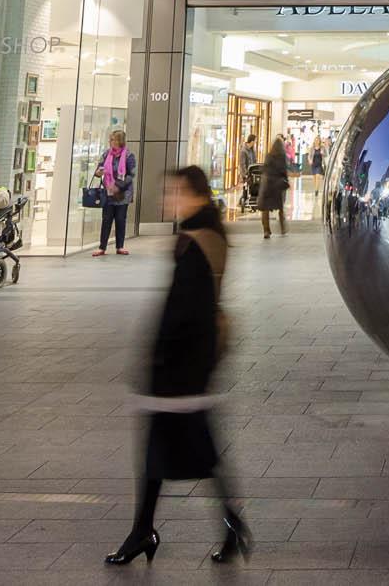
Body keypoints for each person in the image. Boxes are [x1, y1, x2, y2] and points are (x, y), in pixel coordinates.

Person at [107, 166, 249, 567]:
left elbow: (182, 309)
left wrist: (158, 357)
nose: (169, 200)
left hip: (180, 364)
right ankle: (149, 529)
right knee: (178, 448)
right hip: (192, 359)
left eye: (175, 192)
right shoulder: (210, 233)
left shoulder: (194, 241)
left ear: (195, 194)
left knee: (188, 449)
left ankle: (216, 526)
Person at [95, 130, 136, 258]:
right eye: (110, 139)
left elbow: (131, 174)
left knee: (120, 219)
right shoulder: (106, 154)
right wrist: (98, 173)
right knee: (106, 219)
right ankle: (102, 247)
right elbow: (98, 170)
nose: (110, 142)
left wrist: (118, 186)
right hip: (108, 192)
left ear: (119, 141)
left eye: (113, 139)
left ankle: (120, 246)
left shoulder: (129, 156)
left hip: (123, 193)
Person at [258, 138, 288, 239]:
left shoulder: (269, 155)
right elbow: (284, 171)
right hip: (277, 186)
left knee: (265, 209)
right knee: (280, 208)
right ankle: (282, 228)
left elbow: (265, 168)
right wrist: (285, 182)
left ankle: (266, 230)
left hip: (268, 185)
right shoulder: (282, 157)